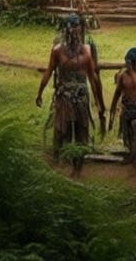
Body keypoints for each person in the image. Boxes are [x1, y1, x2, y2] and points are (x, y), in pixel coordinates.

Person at [35, 13, 106, 169]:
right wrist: (40, 92)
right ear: (66, 30)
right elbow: (49, 71)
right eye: (71, 27)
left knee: (81, 132)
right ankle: (58, 164)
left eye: (76, 27)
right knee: (62, 131)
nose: (74, 31)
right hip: (64, 97)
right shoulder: (58, 50)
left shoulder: (87, 50)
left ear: (80, 29)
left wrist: (98, 101)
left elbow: (93, 78)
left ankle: (77, 168)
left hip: (81, 97)